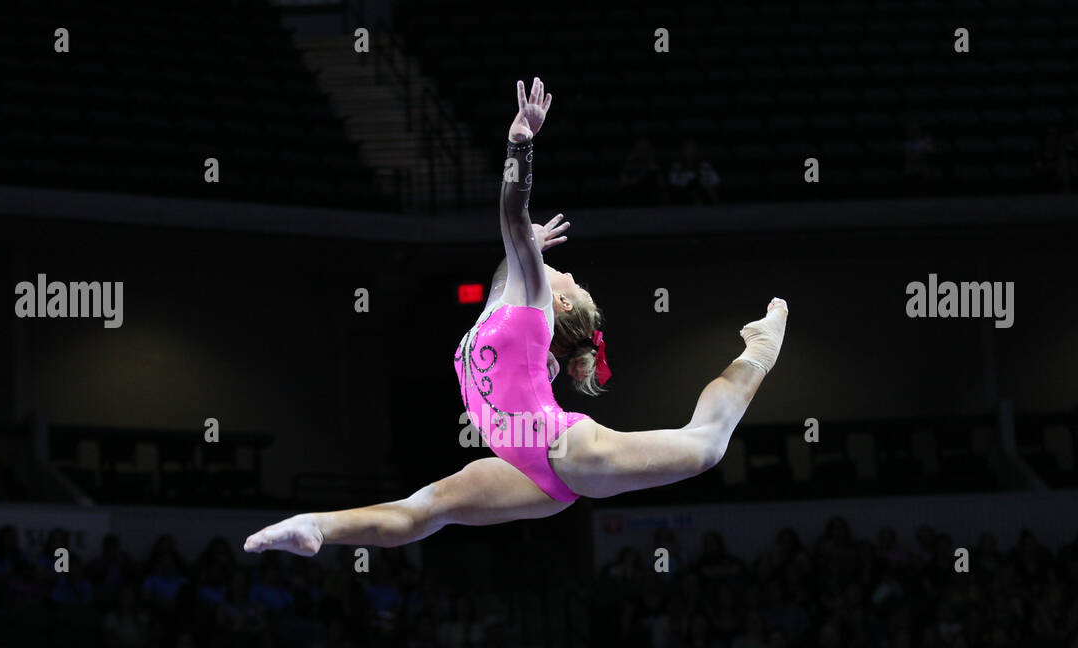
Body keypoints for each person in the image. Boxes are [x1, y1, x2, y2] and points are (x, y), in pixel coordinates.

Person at [245, 77, 786, 557]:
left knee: (705, 447)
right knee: (421, 512)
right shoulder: (504, 306)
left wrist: (520, 145)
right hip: (526, 469)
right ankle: (314, 526)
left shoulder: (534, 306)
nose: (562, 271)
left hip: (562, 449)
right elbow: (505, 265)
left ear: (562, 303)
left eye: (569, 278)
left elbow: (512, 212)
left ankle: (759, 349)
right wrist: (524, 246)